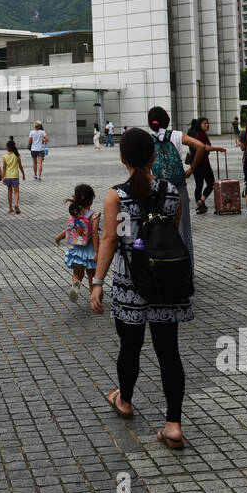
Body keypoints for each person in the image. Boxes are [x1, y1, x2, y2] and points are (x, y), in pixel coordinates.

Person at [89, 128, 191, 451]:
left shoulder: (116, 196)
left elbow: (110, 240)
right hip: (166, 283)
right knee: (169, 352)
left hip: (130, 282)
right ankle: (173, 424)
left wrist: (97, 282)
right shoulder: (172, 191)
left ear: (122, 159)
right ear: (153, 157)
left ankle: (126, 400)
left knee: (129, 347)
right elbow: (168, 235)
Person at [147, 106, 213, 255]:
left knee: (159, 229)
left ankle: (163, 267)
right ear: (167, 121)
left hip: (156, 188)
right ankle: (186, 270)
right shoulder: (176, 135)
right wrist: (190, 170)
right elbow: (201, 147)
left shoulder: (148, 139)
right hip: (178, 187)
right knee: (183, 231)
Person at [54, 183, 99, 301]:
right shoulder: (94, 215)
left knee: (77, 274)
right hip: (89, 250)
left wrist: (58, 238)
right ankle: (93, 296)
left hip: (77, 250)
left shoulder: (75, 213)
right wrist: (97, 251)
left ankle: (75, 284)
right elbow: (94, 234)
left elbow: (68, 229)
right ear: (91, 200)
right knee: (91, 275)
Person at [186, 117, 223, 214]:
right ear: (200, 125)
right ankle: (201, 201)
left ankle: (200, 207)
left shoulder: (193, 133)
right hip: (203, 162)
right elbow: (206, 148)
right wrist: (219, 148)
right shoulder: (201, 134)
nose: (207, 125)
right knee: (211, 183)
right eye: (205, 123)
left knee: (199, 185)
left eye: (207, 123)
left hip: (194, 162)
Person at [2, 138, 23, 214]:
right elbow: (20, 166)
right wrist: (23, 174)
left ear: (8, 147)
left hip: (8, 176)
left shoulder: (5, 156)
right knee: (16, 191)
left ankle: (10, 208)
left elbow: (4, 168)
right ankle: (16, 204)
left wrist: (3, 177)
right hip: (15, 176)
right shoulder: (17, 155)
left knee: (9, 192)